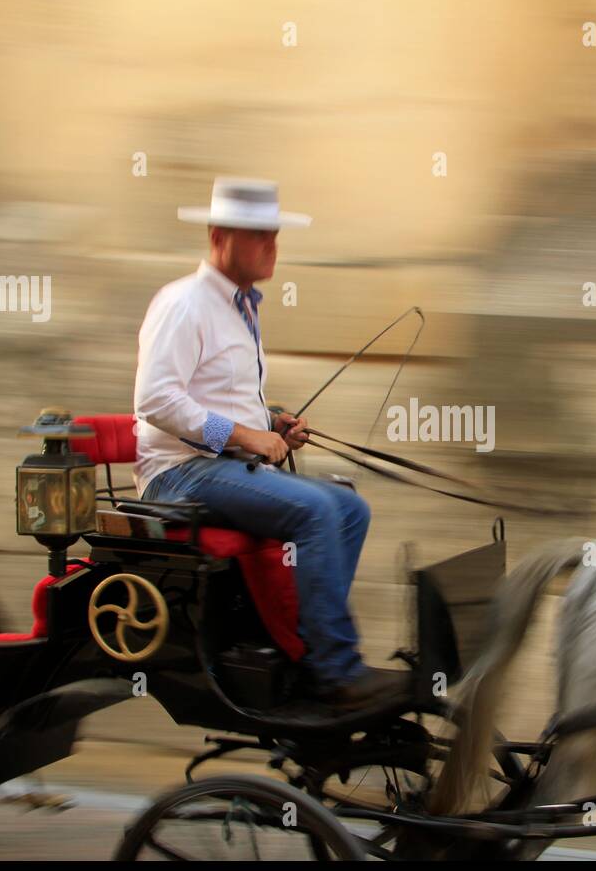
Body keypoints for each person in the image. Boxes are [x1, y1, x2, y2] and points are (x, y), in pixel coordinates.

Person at [132, 177, 407, 710]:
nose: (272, 247)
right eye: (259, 236)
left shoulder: (241, 307)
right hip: (179, 474)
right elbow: (156, 400)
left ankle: (300, 646)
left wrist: (273, 423)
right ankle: (331, 670)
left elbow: (224, 395)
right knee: (316, 513)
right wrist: (243, 435)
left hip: (221, 465)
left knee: (349, 507)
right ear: (219, 236)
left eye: (274, 236)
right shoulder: (184, 303)